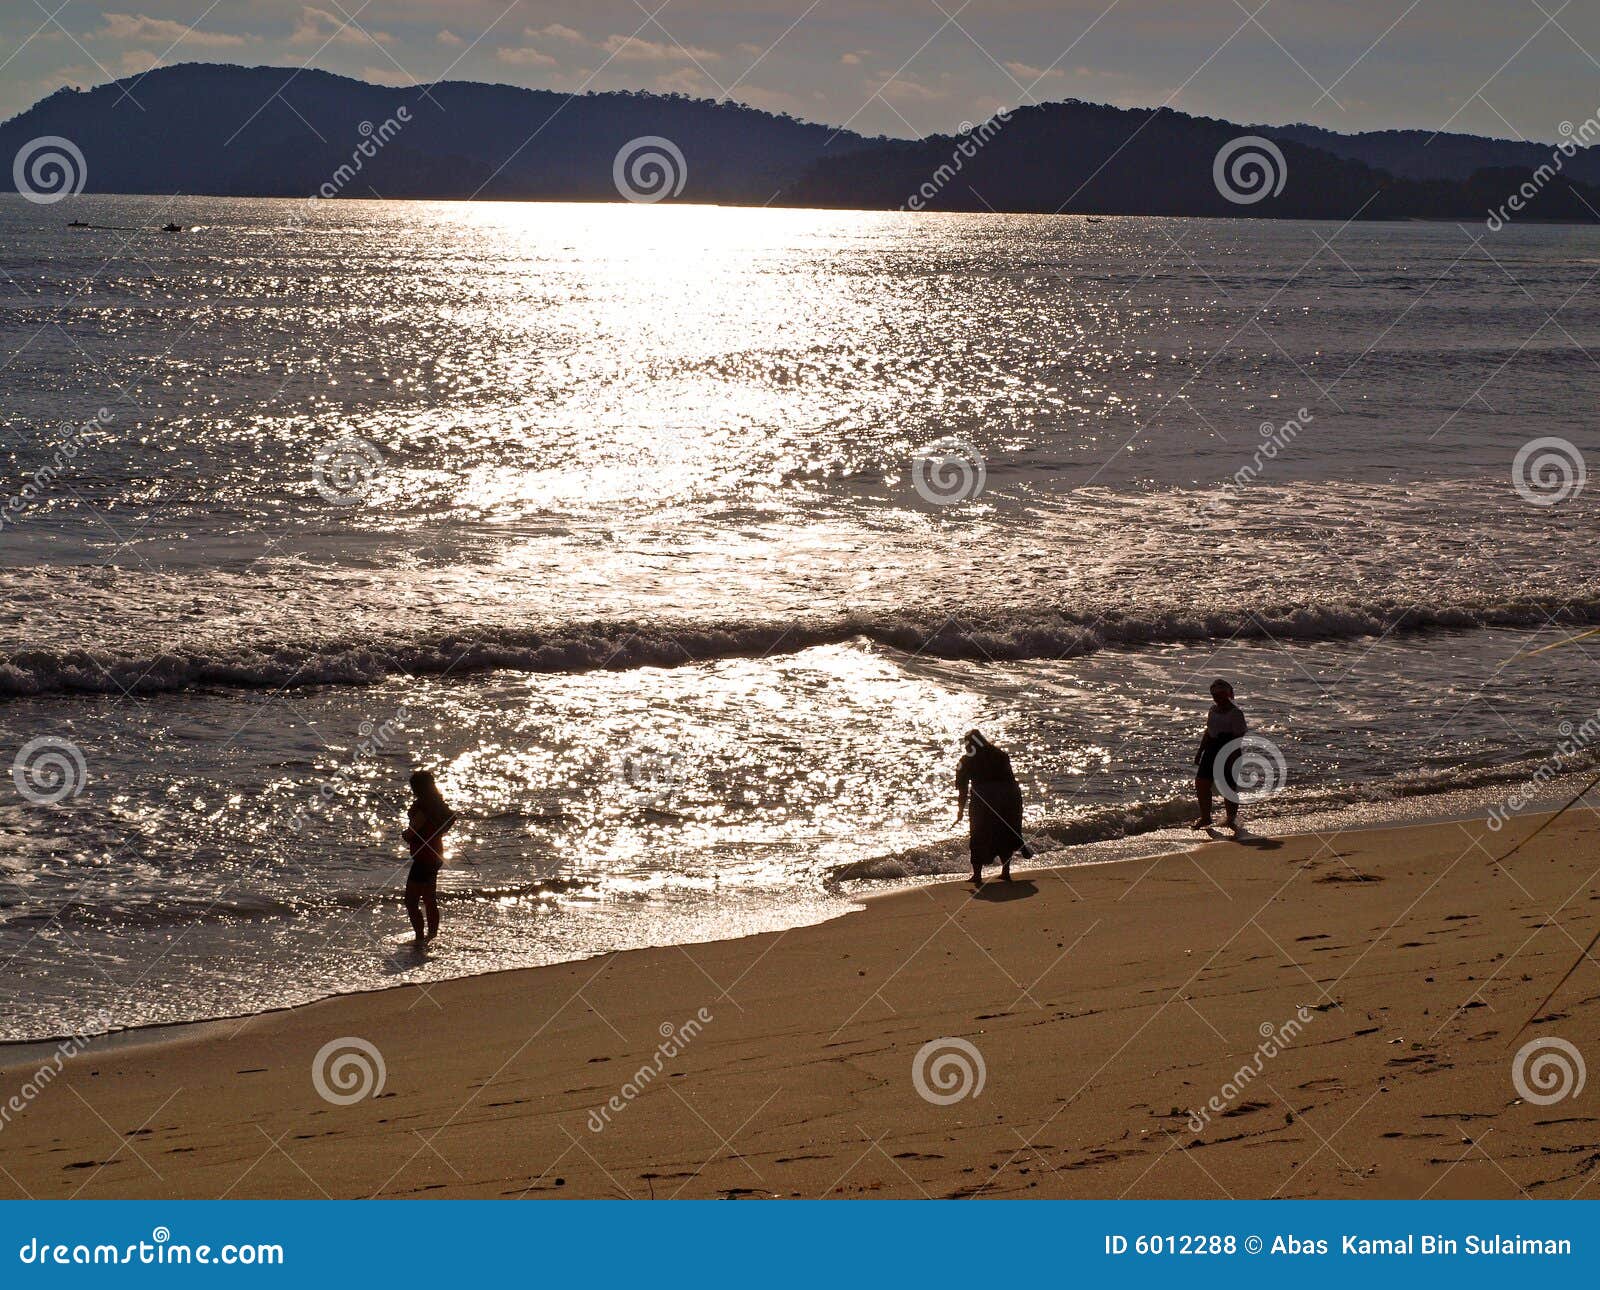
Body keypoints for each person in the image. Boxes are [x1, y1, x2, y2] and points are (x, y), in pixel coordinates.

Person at [955, 730, 1033, 884]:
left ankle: (977, 875)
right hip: (1009, 796)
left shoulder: (965, 761)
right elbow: (1010, 780)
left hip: (984, 798)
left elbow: (963, 789)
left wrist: (960, 811)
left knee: (978, 834)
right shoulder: (1000, 755)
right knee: (1005, 832)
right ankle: (1006, 871)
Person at [403, 769, 455, 943]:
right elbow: (452, 818)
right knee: (429, 898)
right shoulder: (438, 805)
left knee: (410, 901)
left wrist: (405, 834)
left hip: (423, 859)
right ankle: (431, 935)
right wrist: (439, 832)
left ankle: (419, 938)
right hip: (436, 854)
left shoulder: (423, 808)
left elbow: (411, 834)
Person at [1193, 678, 1247, 832]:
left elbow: (1239, 738)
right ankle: (1205, 817)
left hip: (1229, 749)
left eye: (1220, 695)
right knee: (1201, 783)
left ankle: (1231, 819)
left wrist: (1233, 758)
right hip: (1211, 748)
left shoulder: (1235, 713)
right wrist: (1200, 752)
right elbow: (1208, 732)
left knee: (1228, 786)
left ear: (1228, 695)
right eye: (1215, 696)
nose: (1217, 698)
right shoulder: (1213, 710)